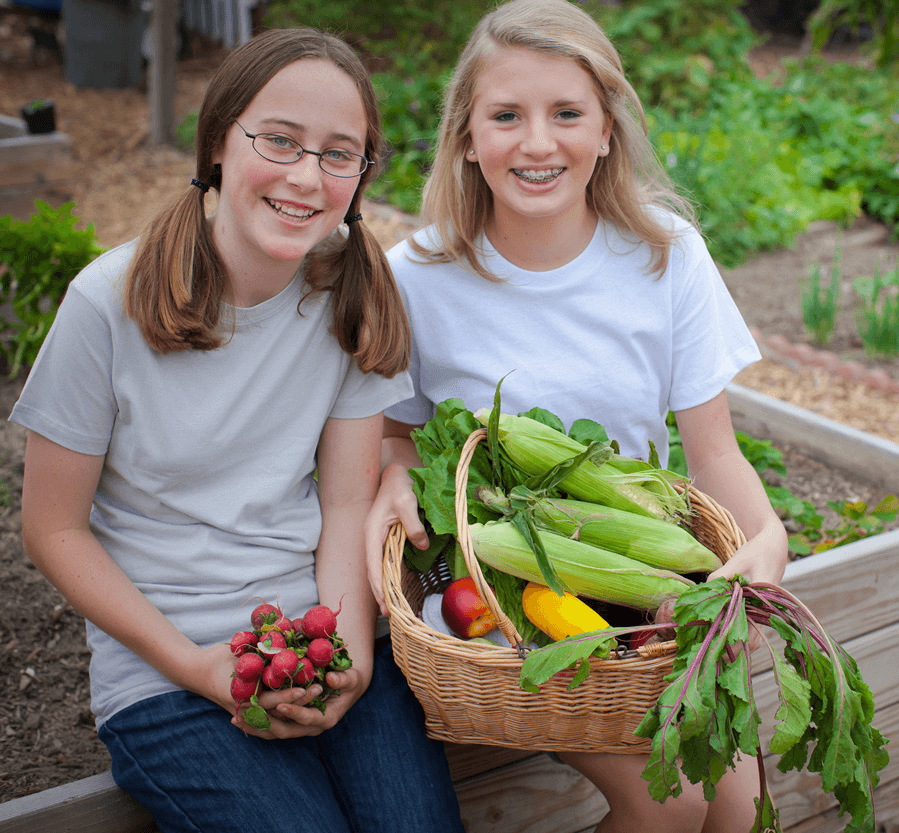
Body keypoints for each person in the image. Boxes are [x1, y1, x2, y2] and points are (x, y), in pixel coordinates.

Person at [11, 27, 465, 833]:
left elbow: (347, 505)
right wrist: (196, 666)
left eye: (339, 154)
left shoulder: (353, 296)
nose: (304, 176)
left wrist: (350, 658)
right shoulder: (107, 302)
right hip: (166, 668)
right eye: (279, 140)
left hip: (321, 630)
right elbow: (52, 528)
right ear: (219, 140)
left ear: (361, 177)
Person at [362, 1, 789, 832]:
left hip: (637, 576)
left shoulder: (663, 254)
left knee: (740, 808)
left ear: (605, 132)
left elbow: (713, 453)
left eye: (566, 113)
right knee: (672, 802)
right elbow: (393, 432)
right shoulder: (414, 274)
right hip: (497, 589)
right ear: (464, 136)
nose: (536, 142)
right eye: (505, 115)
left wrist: (764, 539)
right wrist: (392, 469)